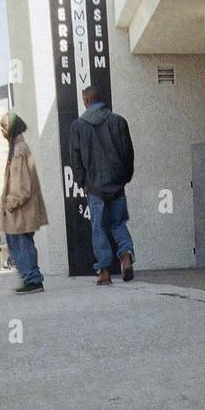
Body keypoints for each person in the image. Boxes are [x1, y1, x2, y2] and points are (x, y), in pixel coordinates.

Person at [68, 87, 135, 286]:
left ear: (87, 101)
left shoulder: (78, 126)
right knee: (118, 223)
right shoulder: (119, 121)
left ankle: (104, 271)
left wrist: (83, 182)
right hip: (116, 185)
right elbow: (128, 154)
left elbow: (76, 159)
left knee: (98, 228)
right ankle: (125, 255)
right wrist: (123, 178)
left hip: (95, 187)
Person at [0, 112, 49, 293]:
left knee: (20, 243)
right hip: (23, 210)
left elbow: (21, 186)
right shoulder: (19, 148)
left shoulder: (18, 151)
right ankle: (31, 279)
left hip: (19, 210)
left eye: (4, 127)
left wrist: (9, 204)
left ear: (11, 129)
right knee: (22, 243)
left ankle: (32, 280)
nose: (2, 131)